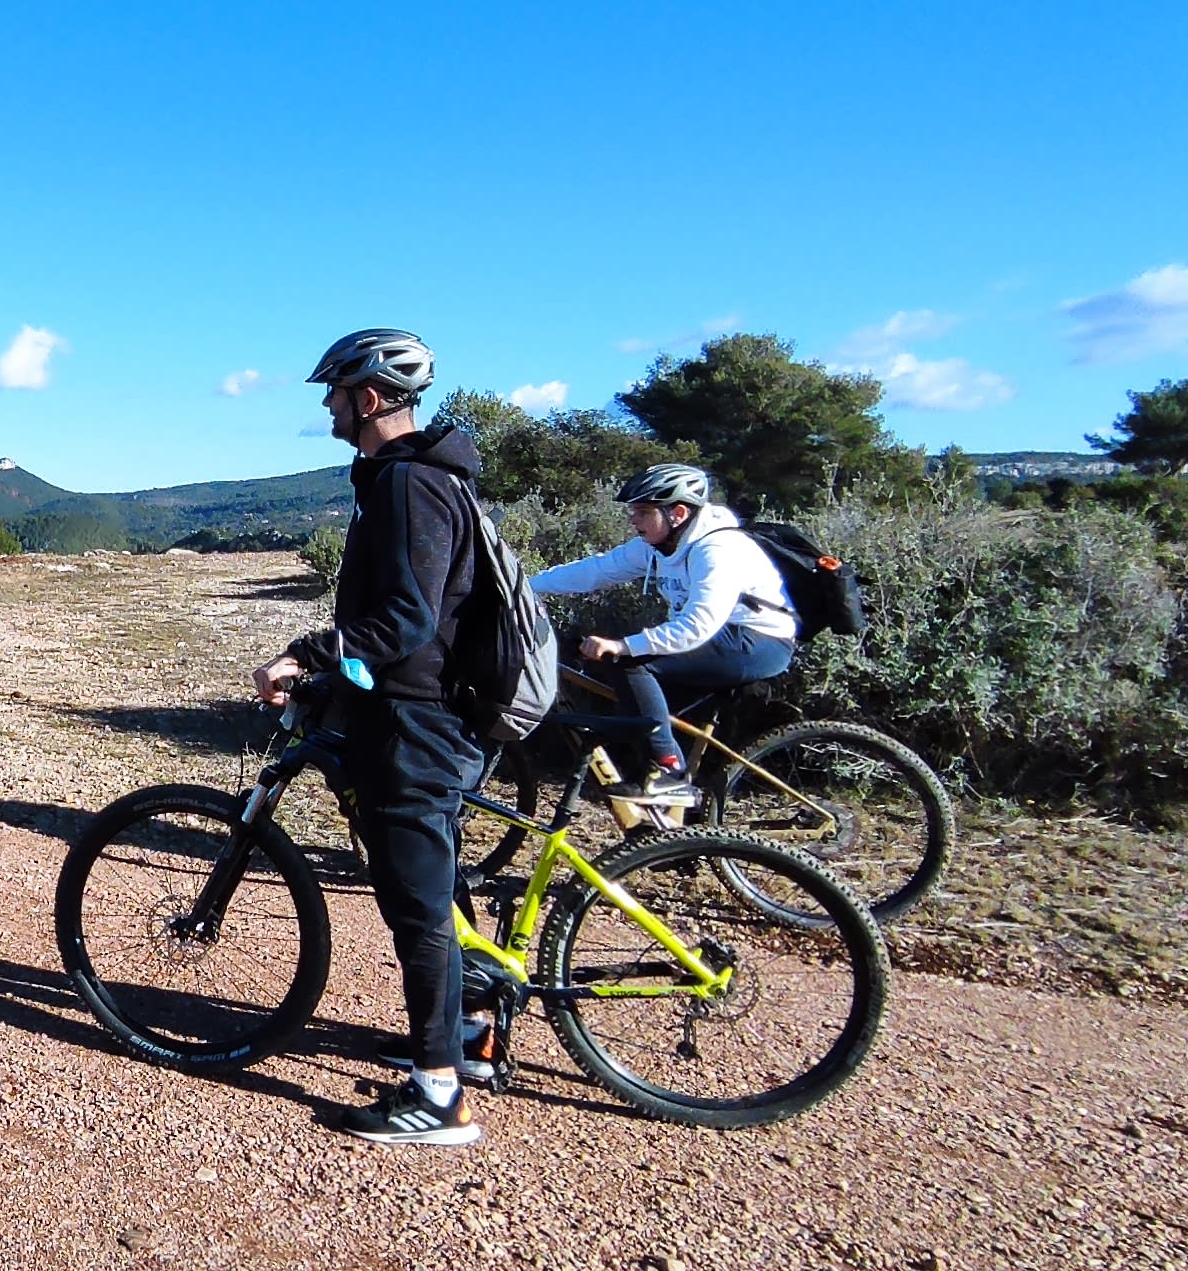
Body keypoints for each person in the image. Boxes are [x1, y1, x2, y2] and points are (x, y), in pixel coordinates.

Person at [249, 327, 489, 1147]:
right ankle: (471, 1037)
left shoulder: (410, 485)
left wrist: (307, 652)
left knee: (418, 908)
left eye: (336, 393)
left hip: (418, 722)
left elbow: (407, 618)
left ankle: (439, 1097)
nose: (328, 405)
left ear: (372, 399)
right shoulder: (410, 477)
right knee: (433, 891)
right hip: (413, 711)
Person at [527, 462, 797, 804]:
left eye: (642, 512)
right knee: (637, 708)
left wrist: (625, 646)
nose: (633, 520)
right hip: (719, 638)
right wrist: (523, 586)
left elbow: (698, 625)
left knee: (631, 662)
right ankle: (683, 816)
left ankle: (669, 773)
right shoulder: (657, 545)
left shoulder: (716, 550)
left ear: (678, 513)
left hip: (757, 641)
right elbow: (596, 571)